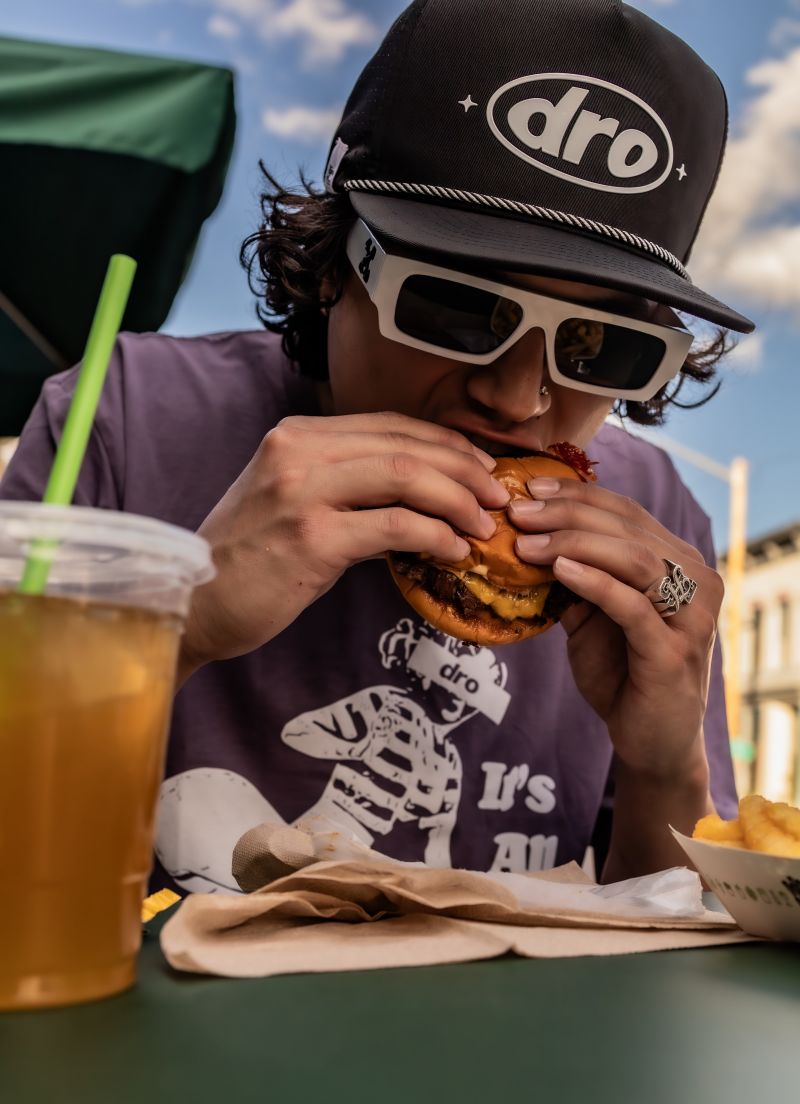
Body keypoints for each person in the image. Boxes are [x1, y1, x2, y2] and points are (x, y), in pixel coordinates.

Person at [1, 0, 754, 892]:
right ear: (331, 267)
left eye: (599, 346)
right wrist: (176, 624)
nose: (517, 395)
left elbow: (672, 954)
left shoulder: (657, 517)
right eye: (456, 303)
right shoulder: (125, 416)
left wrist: (664, 764)